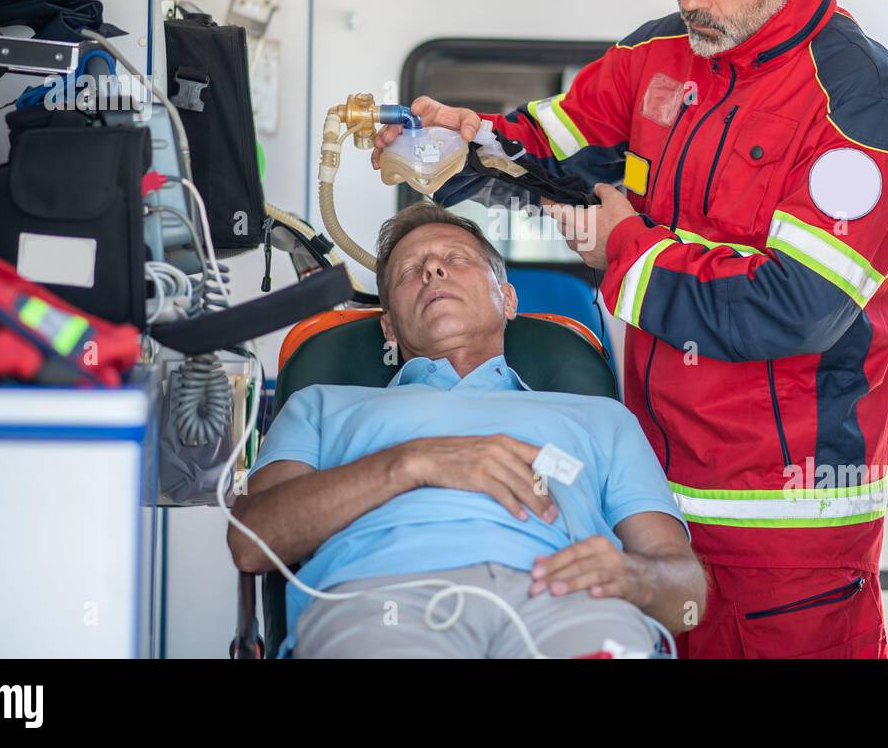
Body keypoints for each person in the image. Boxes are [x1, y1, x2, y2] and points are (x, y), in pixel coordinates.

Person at [373, 0, 888, 658]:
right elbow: (548, 155)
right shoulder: (657, 56)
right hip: (647, 503)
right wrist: (457, 148)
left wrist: (627, 249)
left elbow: (795, 308)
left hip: (785, 540)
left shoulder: (857, 104)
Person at [228, 203, 704, 658]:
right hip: (383, 599)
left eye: (455, 260)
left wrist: (632, 576)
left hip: (568, 599)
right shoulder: (321, 404)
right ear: (389, 327)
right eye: (411, 271)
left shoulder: (601, 417)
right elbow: (251, 542)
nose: (433, 270)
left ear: (509, 299)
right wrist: (411, 463)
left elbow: (687, 591)